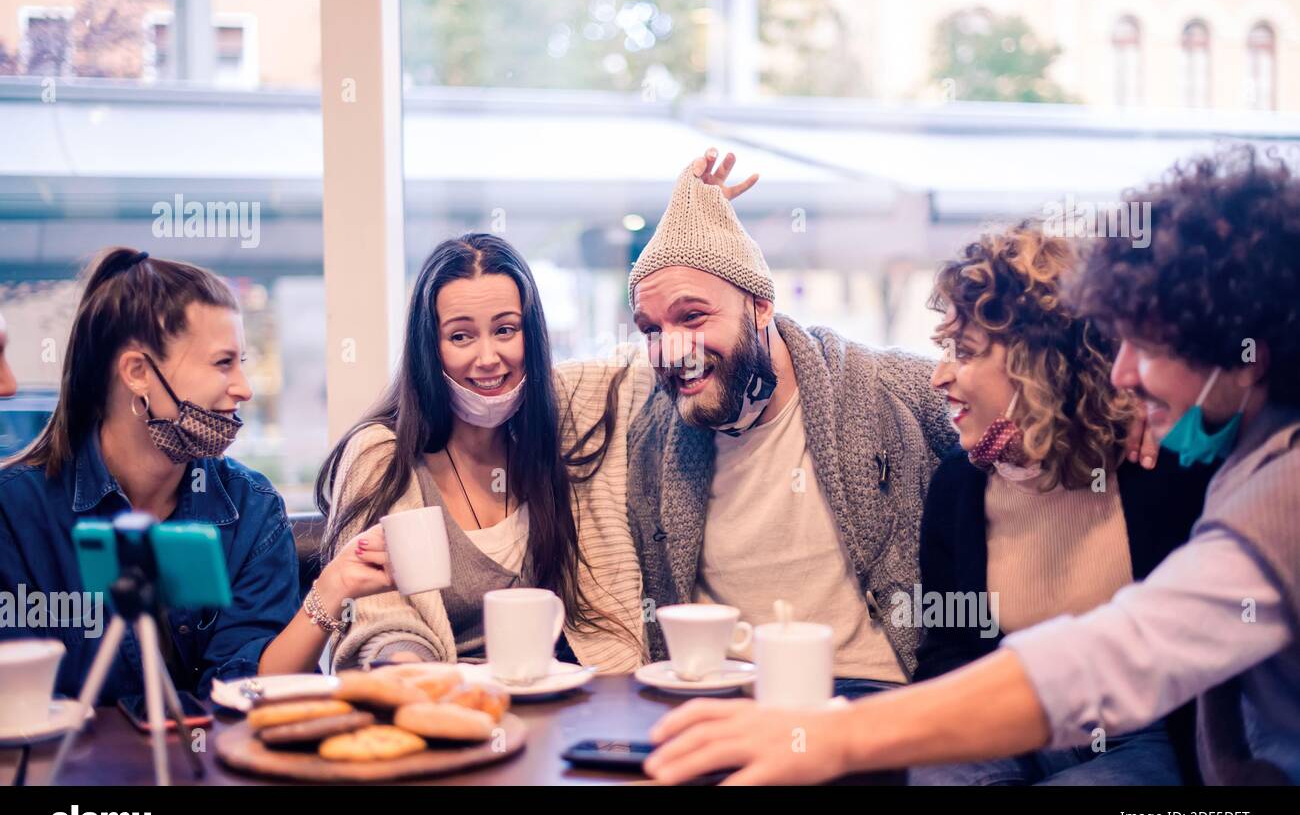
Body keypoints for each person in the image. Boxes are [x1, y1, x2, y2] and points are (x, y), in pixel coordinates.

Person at [644, 146, 1300, 785]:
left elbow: (1121, 658)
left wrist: (834, 736)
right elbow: (954, 649)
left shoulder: (1245, 483)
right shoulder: (1237, 454)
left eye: (1150, 347)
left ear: (1244, 354)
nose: (1125, 372)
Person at [627, 160, 959, 684]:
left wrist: (1132, 413)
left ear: (761, 306)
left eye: (692, 317)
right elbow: (534, 379)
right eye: (651, 329)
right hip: (718, 693)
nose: (672, 350)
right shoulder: (650, 429)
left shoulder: (889, 392)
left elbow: (1021, 400)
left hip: (872, 698)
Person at [910, 222, 1213, 784]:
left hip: (1127, 731)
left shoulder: (1158, 467)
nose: (938, 377)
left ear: (1040, 366)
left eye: (965, 352)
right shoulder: (959, 482)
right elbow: (946, 648)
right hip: (997, 719)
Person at [312, 233, 648, 673]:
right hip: (445, 700)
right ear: (429, 347)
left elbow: (654, 360)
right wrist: (414, 677)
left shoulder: (567, 409)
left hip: (567, 695)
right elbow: (381, 622)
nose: (488, 357)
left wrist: (696, 215)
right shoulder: (381, 455)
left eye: (506, 330)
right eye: (461, 336)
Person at [0, 248, 303, 701]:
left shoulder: (252, 508)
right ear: (138, 372)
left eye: (243, 362)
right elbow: (18, 698)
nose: (244, 387)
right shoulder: (16, 512)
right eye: (224, 363)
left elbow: (241, 691)